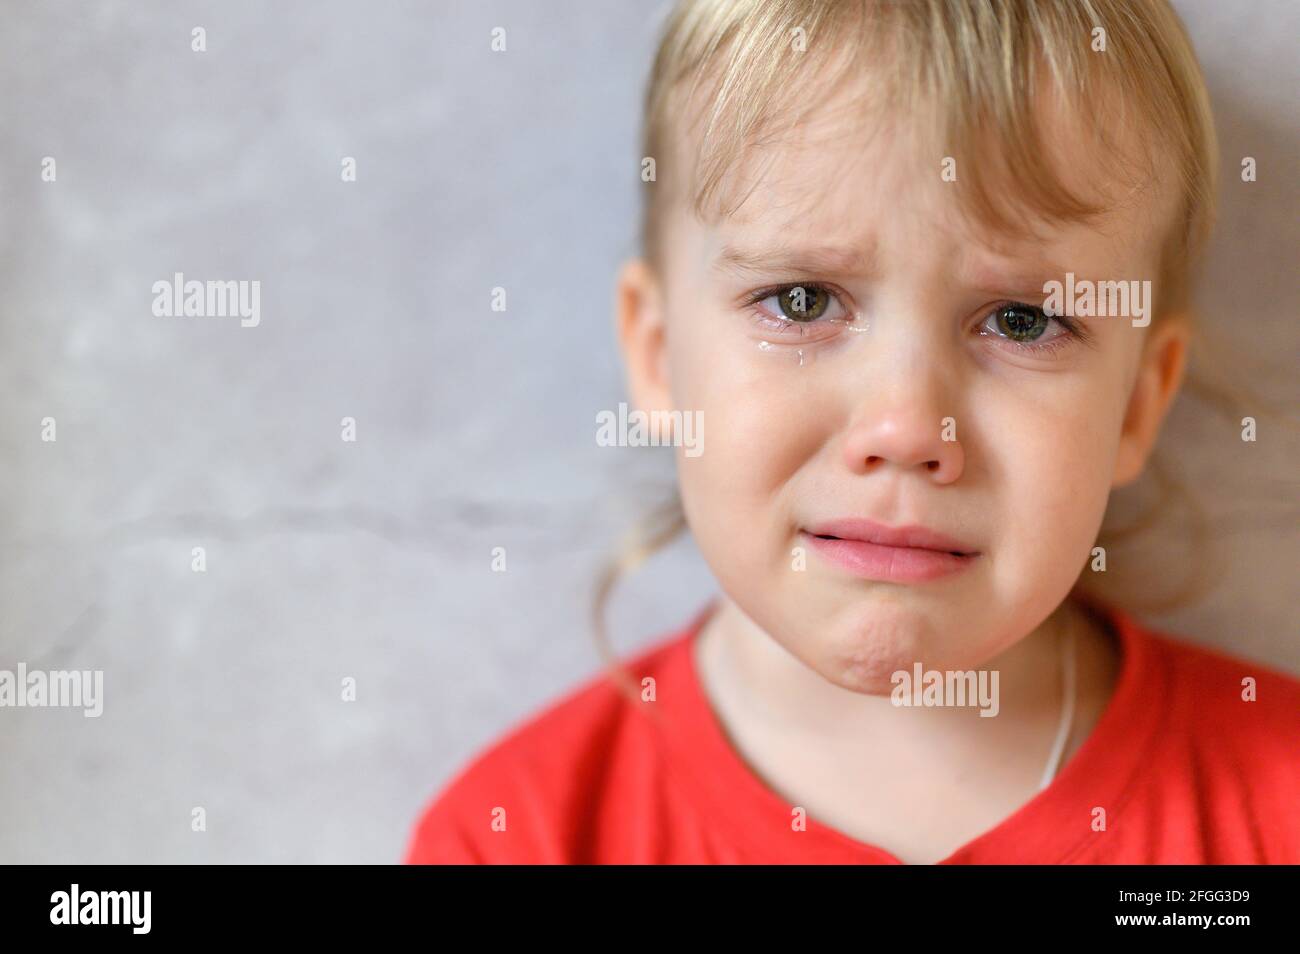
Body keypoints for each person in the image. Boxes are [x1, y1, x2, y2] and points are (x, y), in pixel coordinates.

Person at [405, 0, 1299, 864]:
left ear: (1139, 403)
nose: (907, 428)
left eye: (1022, 321)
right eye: (801, 302)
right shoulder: (517, 841)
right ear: (660, 355)